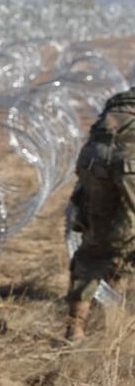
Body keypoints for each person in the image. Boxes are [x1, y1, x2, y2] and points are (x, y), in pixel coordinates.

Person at [65, 87, 135, 341]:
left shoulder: (119, 101)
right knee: (126, 238)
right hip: (130, 164)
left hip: (93, 163)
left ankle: (76, 329)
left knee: (95, 243)